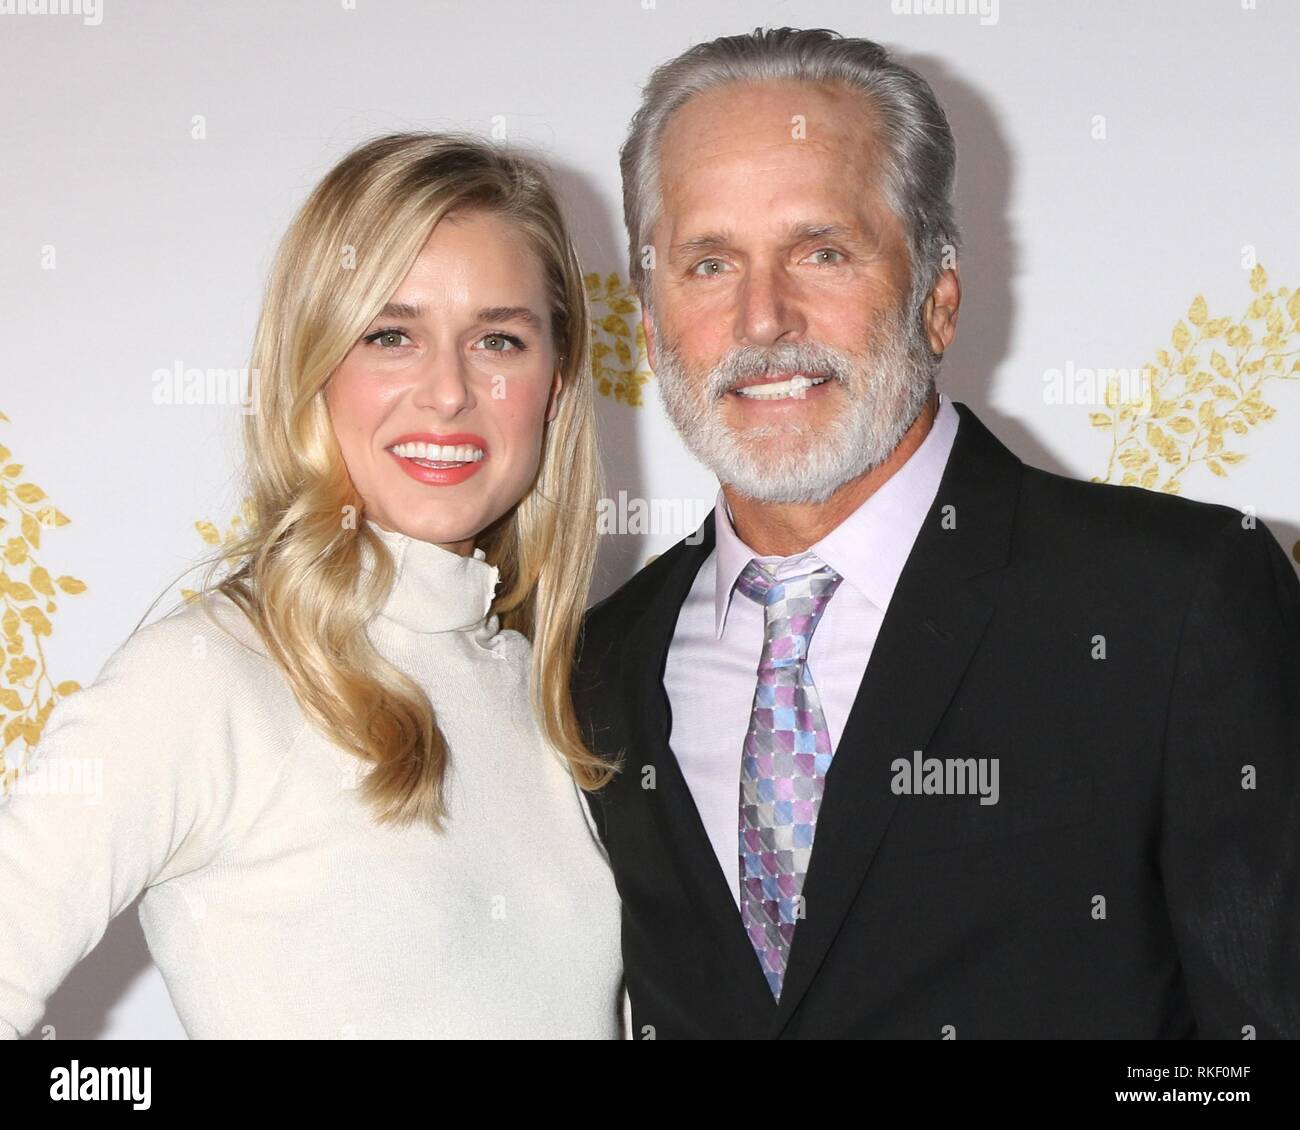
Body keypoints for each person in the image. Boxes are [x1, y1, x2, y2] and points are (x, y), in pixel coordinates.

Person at [574, 27, 1300, 1038]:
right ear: (648, 324)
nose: (763, 318)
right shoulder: (597, 670)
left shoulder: (1174, 602)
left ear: (937, 295)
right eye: (707, 263)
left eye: (820, 250)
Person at [0, 132, 626, 1039]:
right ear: (314, 365)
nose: (448, 391)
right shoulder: (211, 676)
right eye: (390, 334)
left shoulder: (553, 693)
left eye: (498, 339)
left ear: (556, 383)